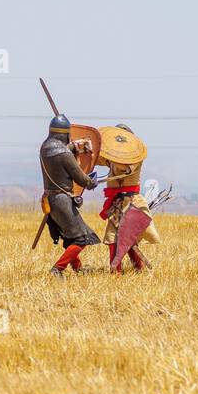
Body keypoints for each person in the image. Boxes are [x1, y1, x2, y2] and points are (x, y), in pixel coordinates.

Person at [38, 115, 100, 275]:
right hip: (62, 201)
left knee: (71, 237)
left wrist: (72, 148)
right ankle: (57, 268)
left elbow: (59, 158)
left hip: (50, 199)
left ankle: (78, 268)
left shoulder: (45, 148)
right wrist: (91, 182)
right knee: (81, 237)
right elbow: (79, 177)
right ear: (65, 133)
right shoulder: (64, 153)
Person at [97, 124, 160, 272]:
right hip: (117, 203)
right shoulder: (112, 158)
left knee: (129, 238)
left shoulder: (134, 157)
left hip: (133, 203)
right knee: (112, 238)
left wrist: (111, 155)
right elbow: (98, 159)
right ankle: (116, 272)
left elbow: (123, 168)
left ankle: (138, 268)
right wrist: (88, 150)